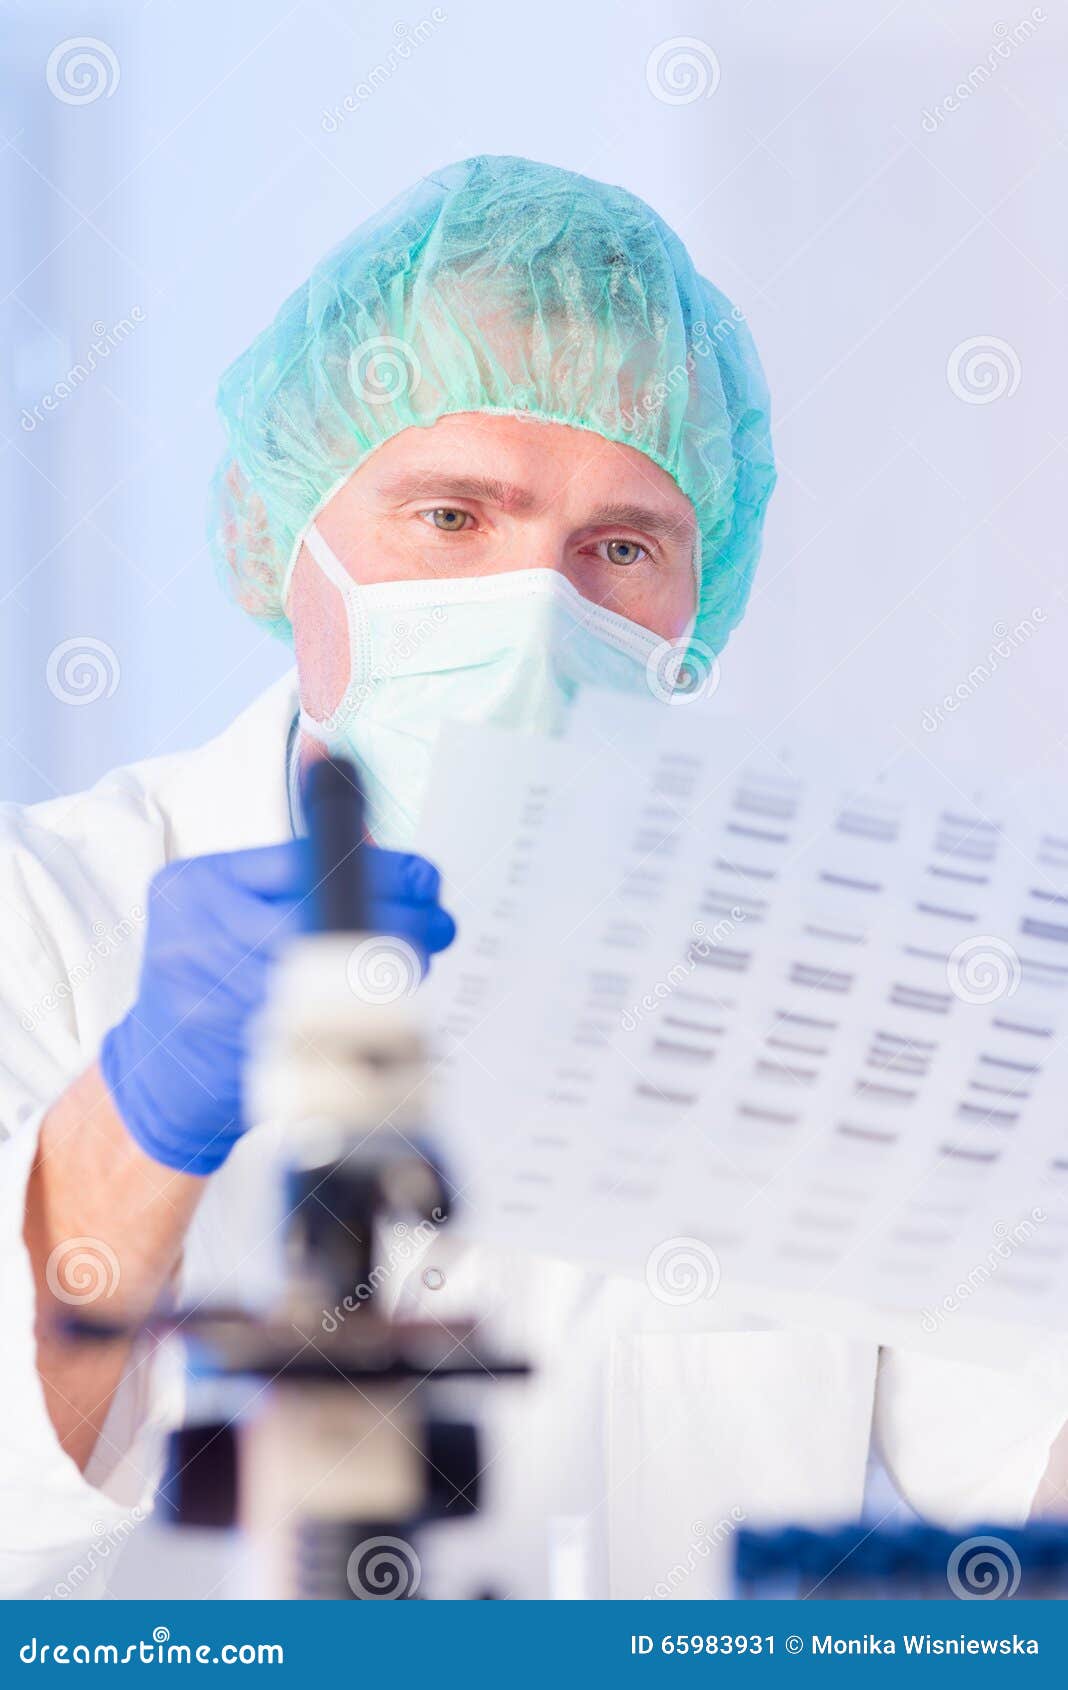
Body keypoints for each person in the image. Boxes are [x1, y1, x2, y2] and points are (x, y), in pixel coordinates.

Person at [1, 156, 1064, 1601]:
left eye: (620, 545)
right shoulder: (49, 919)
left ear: (702, 595)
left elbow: (1029, 1484)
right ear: (289, 534)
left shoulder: (827, 977)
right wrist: (124, 1130)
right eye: (451, 517)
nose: (536, 604)